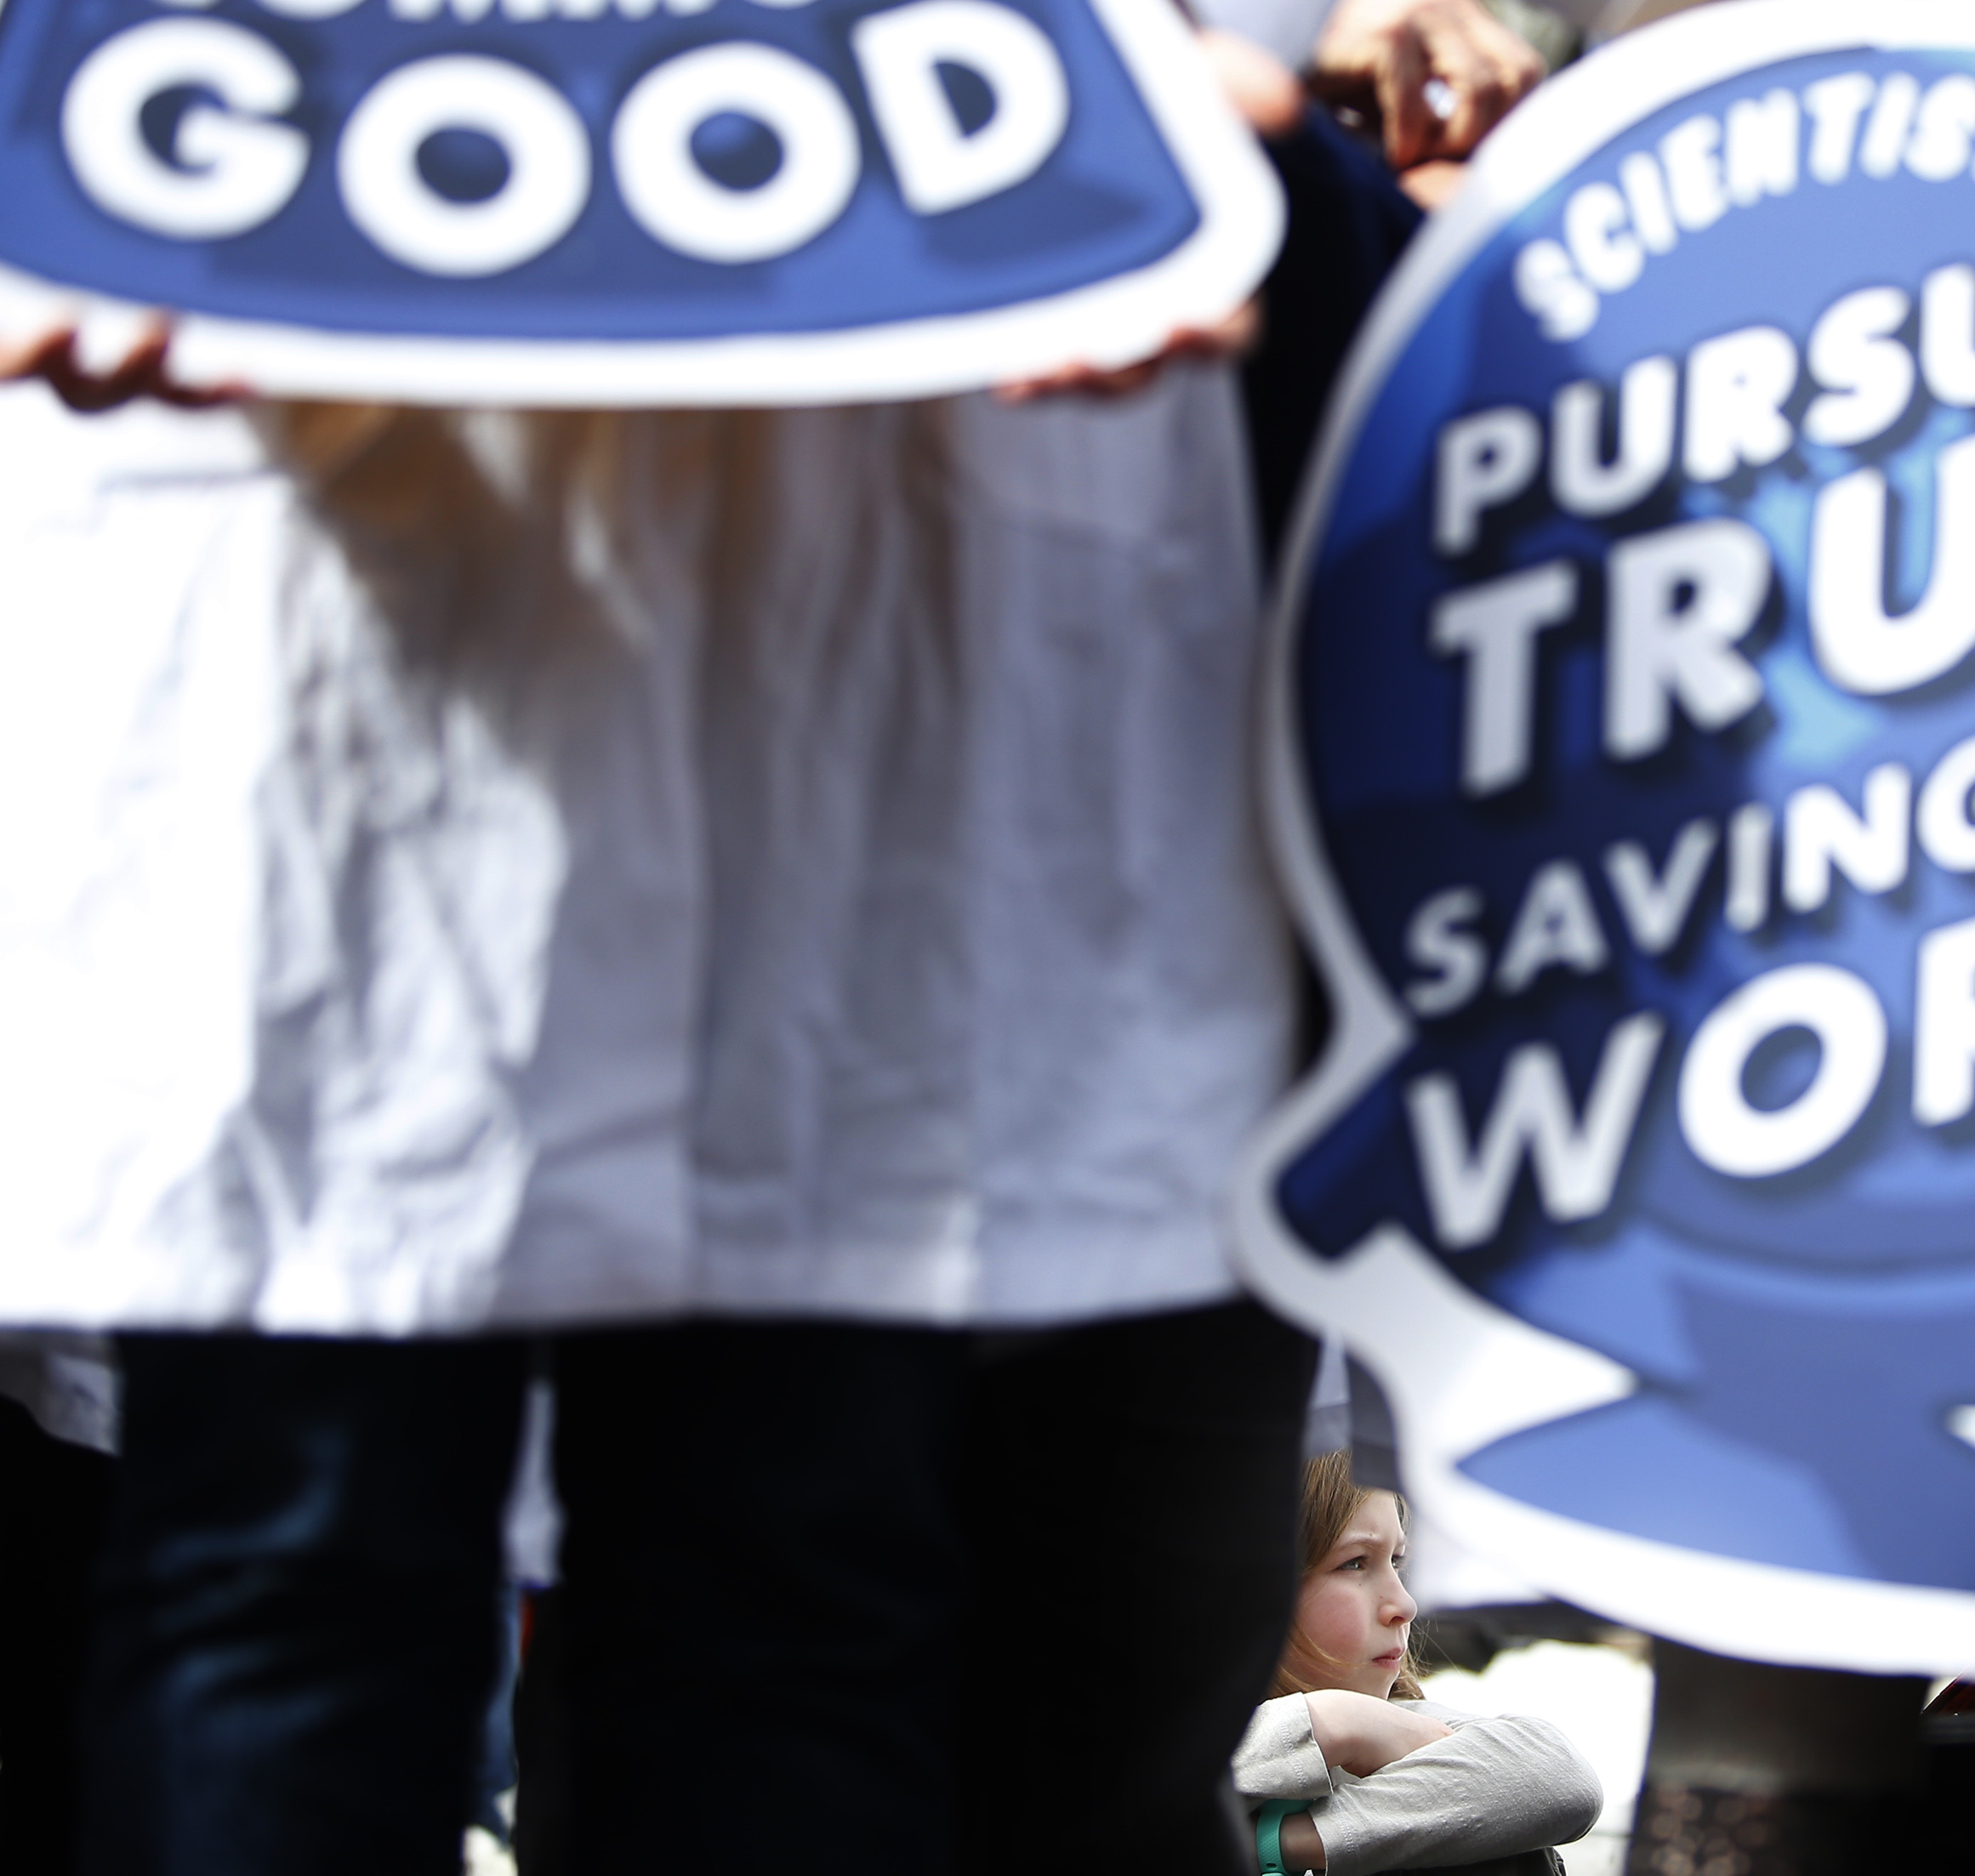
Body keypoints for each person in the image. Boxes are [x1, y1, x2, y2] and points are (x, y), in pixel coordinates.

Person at [0, 9, 1548, 1875]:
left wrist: (1209, 142)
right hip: (392, 632)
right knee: (333, 1565)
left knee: (712, 1575)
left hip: (833, 667)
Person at [1233, 1451, 1602, 1876]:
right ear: (1256, 1588)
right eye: (1355, 1562)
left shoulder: (1399, 1725)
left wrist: (1281, 1844)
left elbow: (1557, 1778)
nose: (1404, 1605)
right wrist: (1325, 1721)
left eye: (1396, 1561)